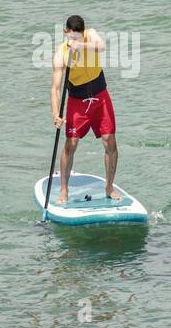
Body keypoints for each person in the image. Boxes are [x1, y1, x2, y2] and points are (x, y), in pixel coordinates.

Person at [50, 15, 119, 204]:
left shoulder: (91, 35)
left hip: (100, 97)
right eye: (72, 38)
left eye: (78, 37)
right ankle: (64, 190)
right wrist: (56, 113)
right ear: (65, 32)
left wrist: (81, 45)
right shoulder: (61, 53)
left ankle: (109, 187)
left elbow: (102, 47)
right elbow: (55, 88)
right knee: (70, 144)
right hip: (77, 101)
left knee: (109, 141)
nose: (75, 41)